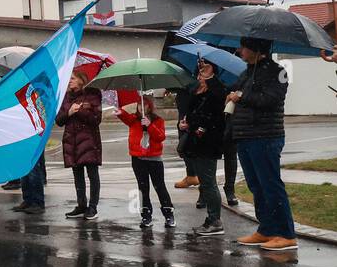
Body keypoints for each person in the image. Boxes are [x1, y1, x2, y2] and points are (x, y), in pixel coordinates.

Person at [228, 38, 296, 251]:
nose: (240, 51)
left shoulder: (279, 72)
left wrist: (241, 97)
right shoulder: (247, 71)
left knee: (271, 185)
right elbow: (236, 91)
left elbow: (270, 100)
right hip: (245, 135)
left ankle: (286, 234)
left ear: (256, 50)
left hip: (266, 136)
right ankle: (266, 229)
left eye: (244, 47)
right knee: (256, 186)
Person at [182, 59, 228, 236]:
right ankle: (211, 219)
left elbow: (213, 117)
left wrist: (211, 78)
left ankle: (215, 220)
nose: (201, 76)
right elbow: (192, 113)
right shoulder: (197, 92)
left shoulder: (216, 92)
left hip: (208, 143)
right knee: (205, 182)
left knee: (209, 183)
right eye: (200, 73)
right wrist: (185, 123)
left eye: (205, 72)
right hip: (196, 143)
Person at [116, 95, 175, 229]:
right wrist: (120, 112)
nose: (141, 108)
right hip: (138, 159)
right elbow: (126, 118)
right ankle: (146, 216)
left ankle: (168, 214)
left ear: (150, 106)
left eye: (145, 105)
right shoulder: (134, 119)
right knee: (143, 188)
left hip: (153, 159)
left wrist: (150, 125)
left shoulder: (158, 120)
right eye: (139, 105)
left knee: (160, 187)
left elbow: (160, 137)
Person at [57, 71, 103, 220]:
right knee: (77, 176)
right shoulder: (66, 96)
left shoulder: (93, 94)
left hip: (89, 142)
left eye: (72, 78)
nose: (69, 81)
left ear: (81, 80)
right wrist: (69, 112)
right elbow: (59, 120)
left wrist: (81, 111)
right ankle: (81, 205)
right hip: (72, 142)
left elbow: (96, 119)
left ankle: (93, 207)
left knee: (92, 175)